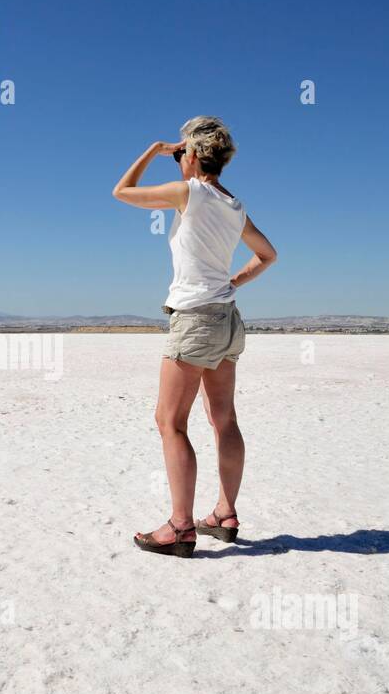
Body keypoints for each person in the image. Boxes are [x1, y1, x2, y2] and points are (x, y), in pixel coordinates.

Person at [112, 116, 277, 557]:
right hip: (227, 318)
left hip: (195, 320)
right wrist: (232, 284)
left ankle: (180, 527)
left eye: (181, 153)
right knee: (224, 420)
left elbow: (122, 192)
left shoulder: (190, 192)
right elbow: (267, 255)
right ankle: (224, 514)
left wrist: (151, 150)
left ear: (193, 155)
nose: (177, 160)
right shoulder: (232, 203)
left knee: (170, 422)